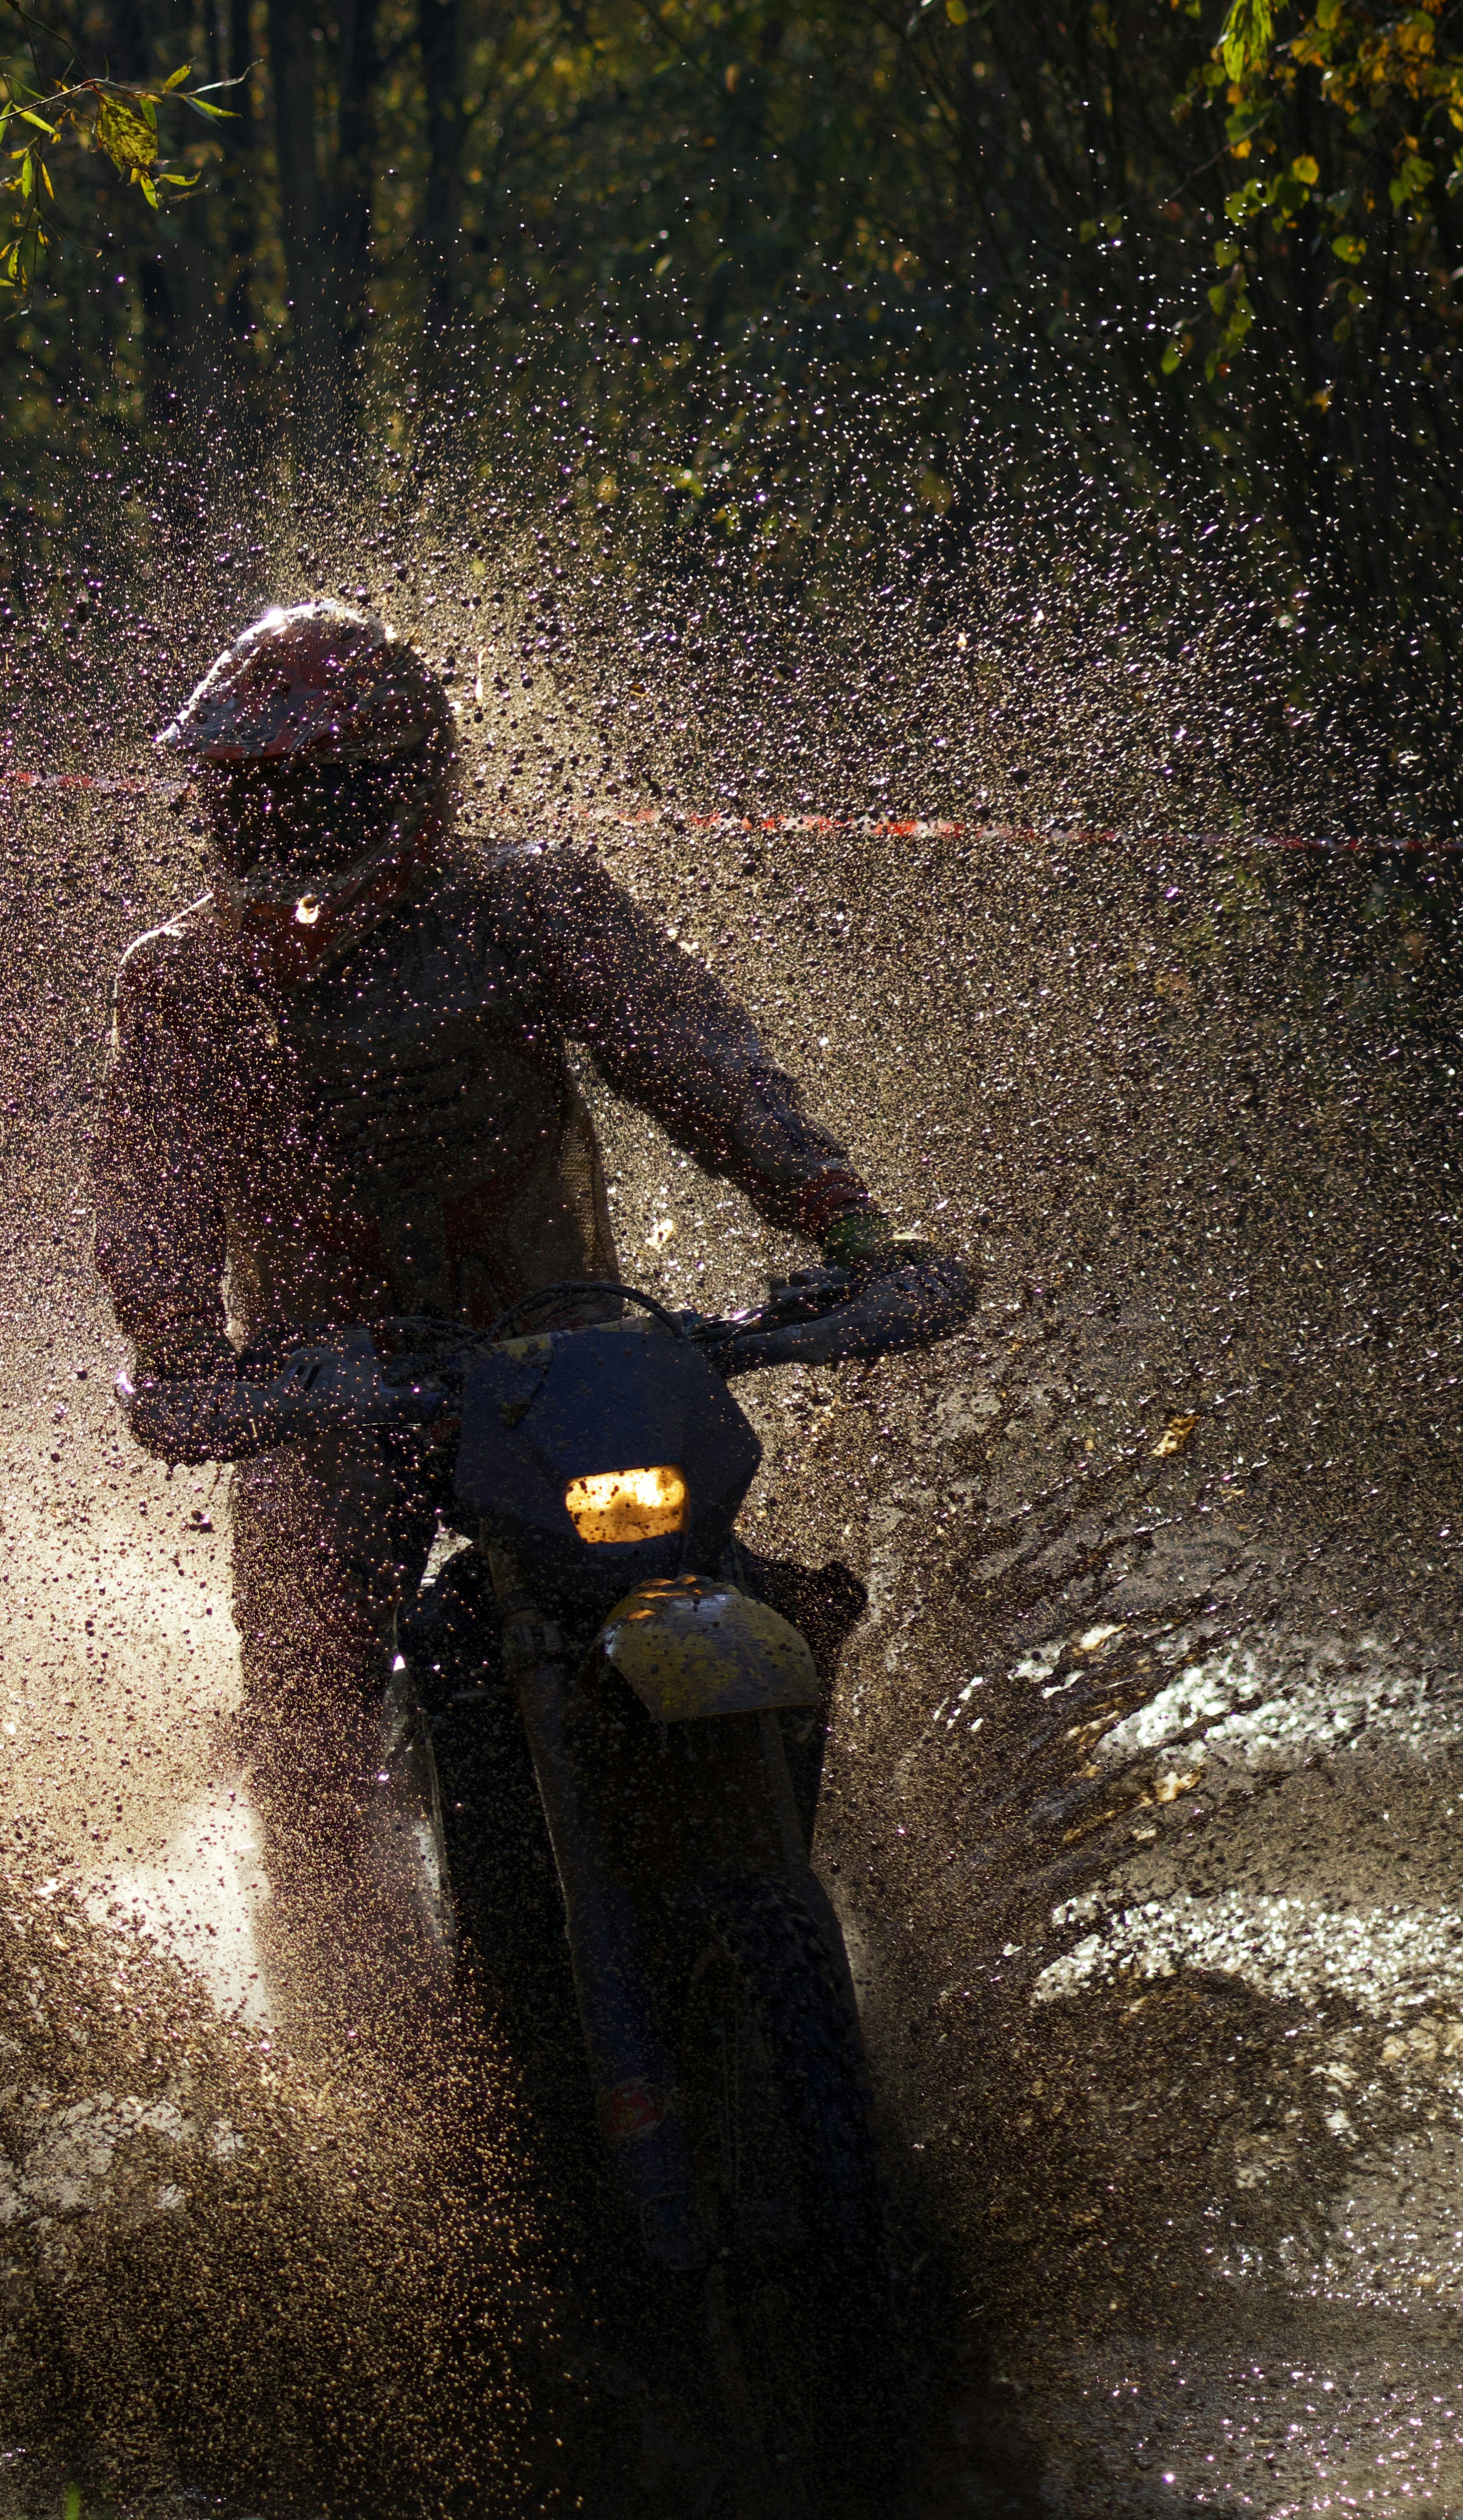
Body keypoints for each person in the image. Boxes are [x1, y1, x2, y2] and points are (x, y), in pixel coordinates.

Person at [92, 597, 895, 2046]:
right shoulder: (186, 983)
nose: (279, 825)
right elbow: (155, 1199)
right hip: (327, 1396)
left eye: (315, 789)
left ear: (410, 780)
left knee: (734, 1580)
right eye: (251, 792)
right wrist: (182, 1361)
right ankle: (372, 2071)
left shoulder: (533, 907)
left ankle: (811, 1853)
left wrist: (843, 1225)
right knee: (313, 1720)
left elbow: (700, 1063)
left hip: (566, 1364)